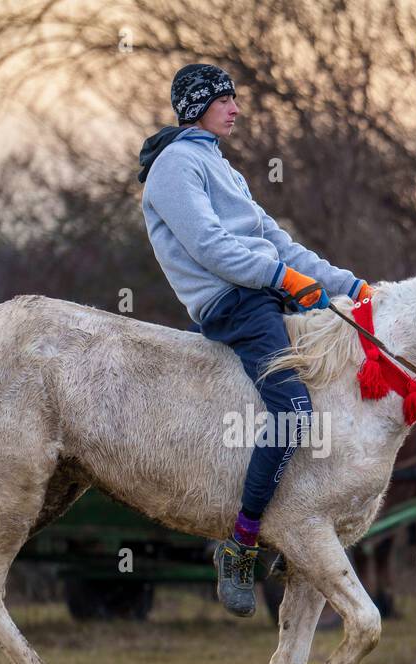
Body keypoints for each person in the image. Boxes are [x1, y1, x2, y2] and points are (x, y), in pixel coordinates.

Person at [139, 64, 372, 617]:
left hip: (265, 296)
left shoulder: (221, 167)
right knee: (294, 409)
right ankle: (240, 546)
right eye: (225, 100)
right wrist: (280, 280)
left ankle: (303, 524)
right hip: (234, 305)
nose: (236, 109)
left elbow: (279, 243)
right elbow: (210, 247)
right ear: (196, 106)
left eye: (235, 100)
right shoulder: (175, 166)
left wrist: (353, 286)